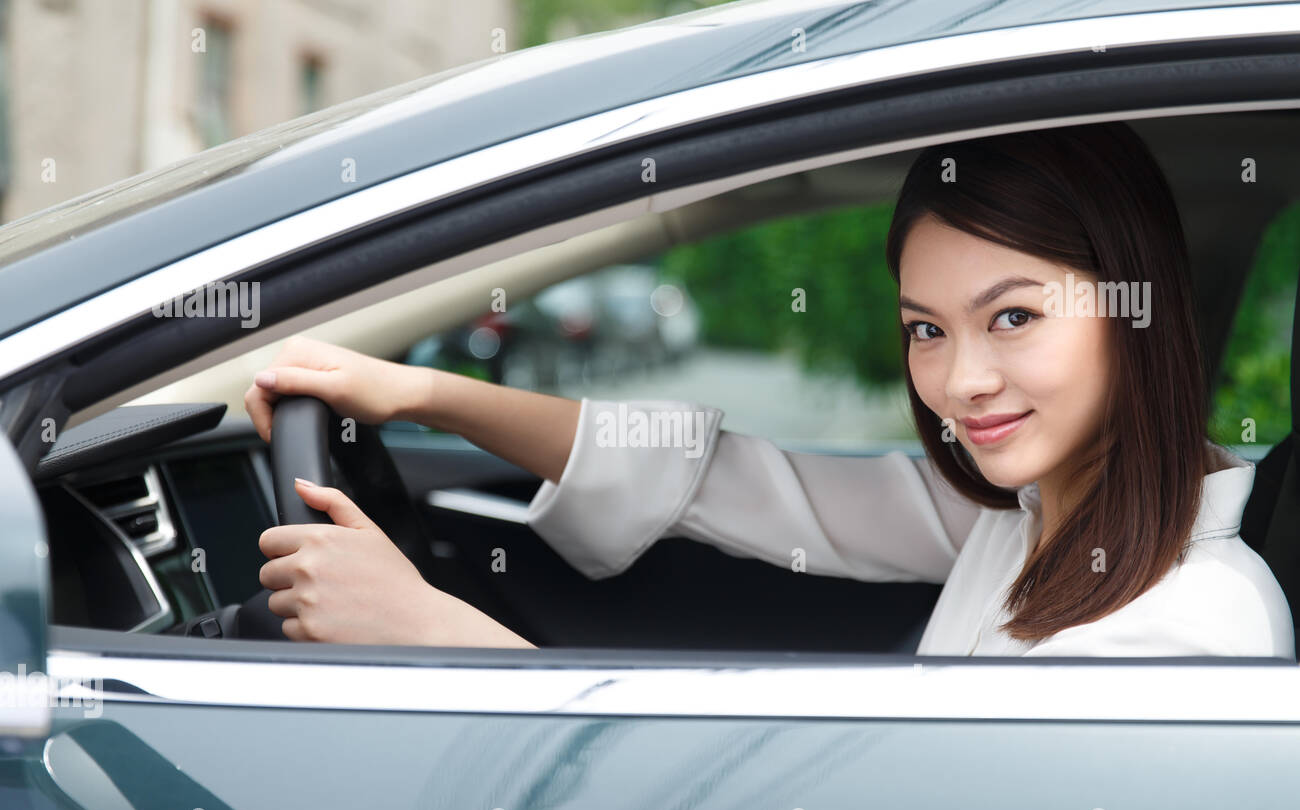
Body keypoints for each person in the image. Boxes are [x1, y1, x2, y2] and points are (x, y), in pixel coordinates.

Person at [244, 121, 1295, 657]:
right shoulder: (1031, 513)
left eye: (1012, 316)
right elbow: (726, 480)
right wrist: (425, 391)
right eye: (926, 329)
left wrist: (430, 629)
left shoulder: (1185, 623)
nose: (960, 380)